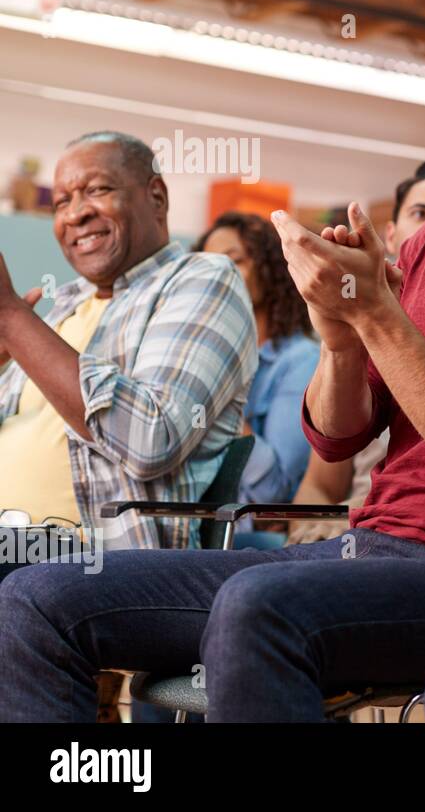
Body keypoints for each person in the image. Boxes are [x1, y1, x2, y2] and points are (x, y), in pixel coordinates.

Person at [0, 13, 425, 722]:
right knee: (34, 599)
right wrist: (339, 338)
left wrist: (375, 316)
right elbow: (336, 437)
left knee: (258, 605)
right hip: (362, 548)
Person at [0, 131, 256, 585]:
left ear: (155, 197)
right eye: (61, 201)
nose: (76, 213)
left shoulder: (201, 278)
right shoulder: (60, 307)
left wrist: (12, 318)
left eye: (97, 190)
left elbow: (151, 440)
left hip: (106, 556)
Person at [288, 162, 425, 546]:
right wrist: (304, 530)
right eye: (419, 213)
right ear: (390, 235)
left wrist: (350, 521)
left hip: (411, 538)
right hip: (350, 539)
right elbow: (320, 485)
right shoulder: (356, 331)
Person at [197, 213, 318, 507]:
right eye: (208, 266)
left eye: (234, 261)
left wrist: (221, 400)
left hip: (248, 537)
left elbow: (274, 492)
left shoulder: (300, 360)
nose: (219, 275)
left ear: (268, 271)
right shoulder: (205, 356)